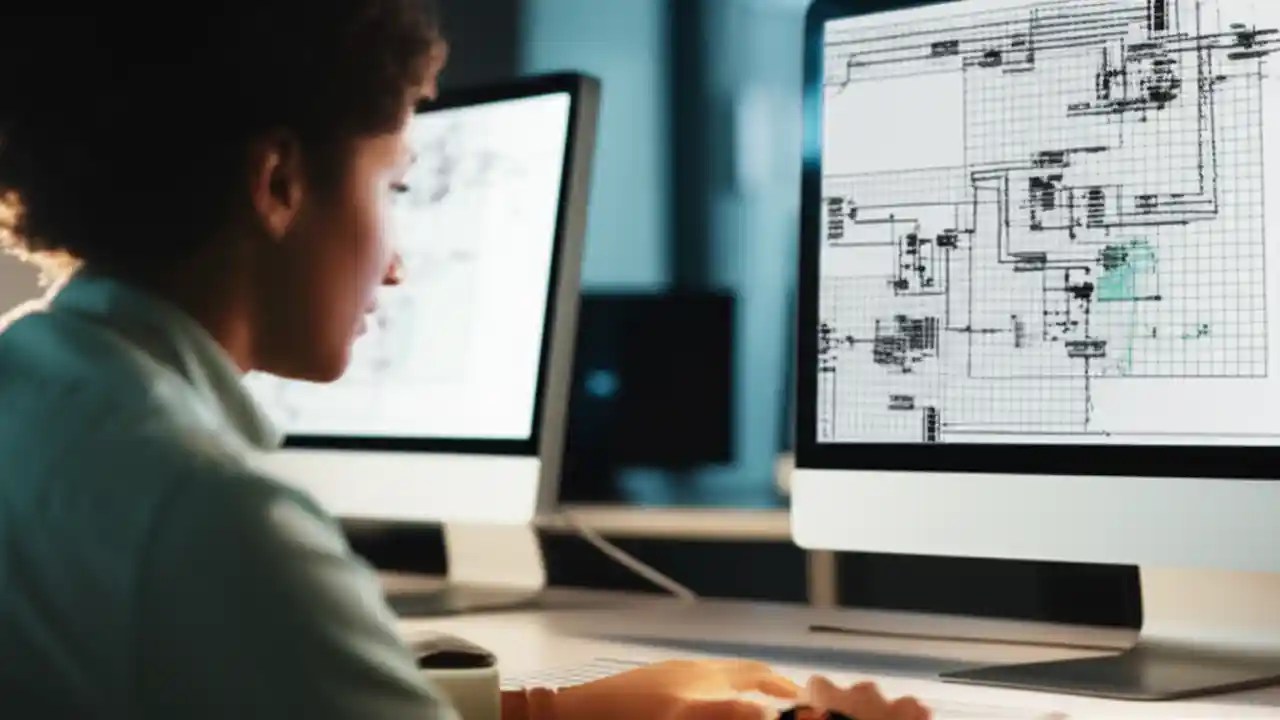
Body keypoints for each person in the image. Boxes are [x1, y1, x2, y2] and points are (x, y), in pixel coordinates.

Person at [0, 3, 929, 719]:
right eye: (392, 183)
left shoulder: (38, 401)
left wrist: (552, 707)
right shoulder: (215, 521)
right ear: (278, 182)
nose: (397, 261)